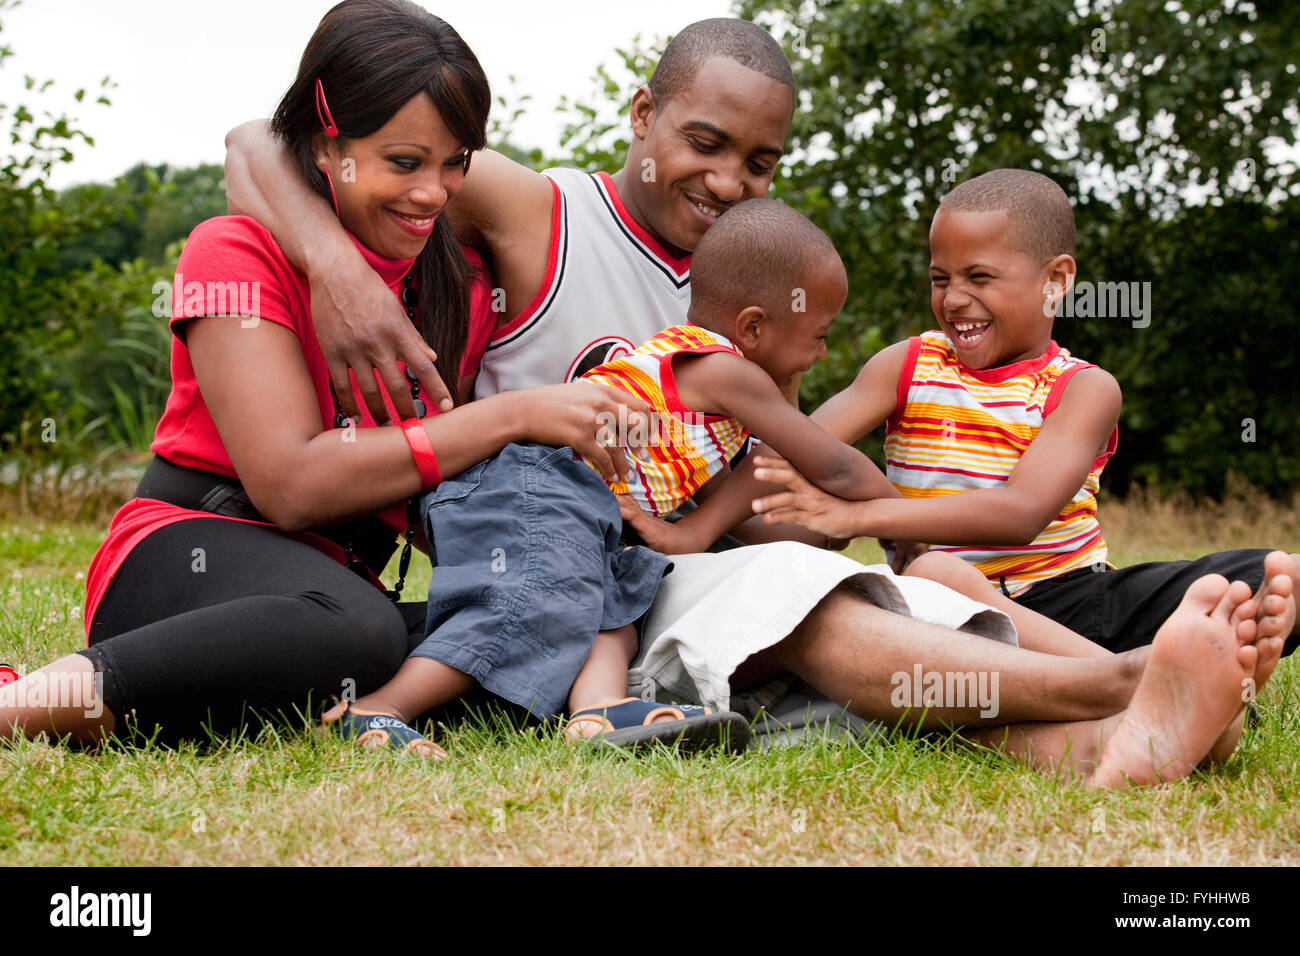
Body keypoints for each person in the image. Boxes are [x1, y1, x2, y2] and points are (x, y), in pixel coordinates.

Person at [221, 18, 1293, 786]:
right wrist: (340, 274)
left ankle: (1121, 738)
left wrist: (887, 540)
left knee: (866, 615)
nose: (732, 178)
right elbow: (254, 143)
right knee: (801, 594)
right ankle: (1107, 681)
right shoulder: (543, 209)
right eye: (705, 142)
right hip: (550, 560)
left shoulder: (750, 286)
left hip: (669, 570)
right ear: (642, 115)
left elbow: (776, 477)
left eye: (761, 160)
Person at [0, 0, 651, 751]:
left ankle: (345, 717)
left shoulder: (461, 287)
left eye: (454, 164)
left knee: (508, 647)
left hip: (334, 589)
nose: (433, 194)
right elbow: (290, 485)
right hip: (186, 556)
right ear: (324, 147)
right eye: (404, 162)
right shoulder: (232, 251)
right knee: (360, 630)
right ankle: (25, 702)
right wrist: (516, 414)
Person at [333, 198, 901, 751]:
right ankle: (379, 708)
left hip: (588, 507)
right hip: (541, 480)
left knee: (618, 601)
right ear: (753, 328)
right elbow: (827, 460)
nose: (822, 353)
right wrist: (898, 520)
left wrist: (694, 534)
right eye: (819, 334)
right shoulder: (724, 369)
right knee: (524, 598)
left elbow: (754, 472)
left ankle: (598, 713)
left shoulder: (711, 391)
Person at [744, 168, 1300, 660]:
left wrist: (858, 519)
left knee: (1281, 576)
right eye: (941, 279)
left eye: (979, 278)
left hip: (1073, 601)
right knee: (939, 577)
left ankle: (1126, 670)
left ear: (1056, 281)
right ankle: (1136, 680)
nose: (954, 298)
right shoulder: (908, 365)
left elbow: (1020, 513)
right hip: (946, 614)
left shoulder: (1083, 388)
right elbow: (796, 448)